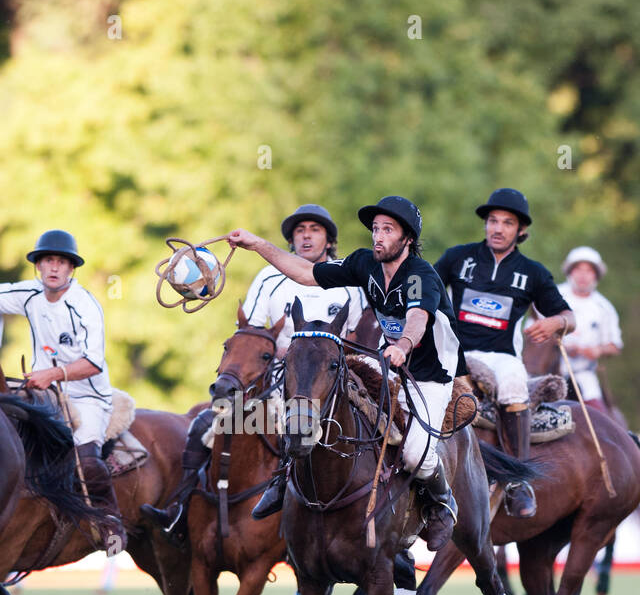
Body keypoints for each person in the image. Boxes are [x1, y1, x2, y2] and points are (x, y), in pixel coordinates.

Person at [228, 195, 463, 550]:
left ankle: (442, 501)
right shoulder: (363, 264)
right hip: (387, 364)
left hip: (429, 373)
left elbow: (417, 317)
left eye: (388, 229)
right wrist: (257, 244)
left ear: (407, 239)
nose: (378, 236)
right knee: (327, 399)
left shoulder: (419, 276)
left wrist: (402, 345)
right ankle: (286, 476)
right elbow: (306, 273)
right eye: (376, 229)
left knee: (416, 453)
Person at [141, 203, 367, 540]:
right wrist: (286, 354)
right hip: (276, 381)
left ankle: (398, 515)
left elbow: (356, 335)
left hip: (330, 385)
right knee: (206, 425)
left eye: (314, 230)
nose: (305, 235)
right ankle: (180, 511)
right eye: (299, 230)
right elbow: (247, 331)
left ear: (329, 239)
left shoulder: (347, 277)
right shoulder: (270, 277)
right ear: (291, 239)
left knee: (384, 427)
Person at [0, 229, 125, 555]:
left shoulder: (85, 306)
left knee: (85, 458)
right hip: (41, 390)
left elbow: (94, 364)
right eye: (48, 261)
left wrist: (54, 373)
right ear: (38, 267)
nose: (54, 268)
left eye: (61, 262)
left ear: (71, 269)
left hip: (86, 397)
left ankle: (110, 521)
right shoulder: (30, 293)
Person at [434, 188, 575, 519]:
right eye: (492, 221)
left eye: (507, 223)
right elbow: (427, 288)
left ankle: (518, 483)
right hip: (456, 350)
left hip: (501, 356)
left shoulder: (534, 273)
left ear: (521, 230)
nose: (498, 228)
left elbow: (570, 317)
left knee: (514, 382)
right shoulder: (458, 257)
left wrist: (555, 322)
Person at [555, 245, 621, 412]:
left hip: (583, 374)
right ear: (570, 272)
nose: (583, 276)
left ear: (596, 275)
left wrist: (597, 350)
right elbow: (532, 331)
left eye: (589, 270)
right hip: (547, 372)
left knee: (600, 417)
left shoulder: (603, 307)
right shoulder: (554, 296)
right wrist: (559, 346)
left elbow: (614, 345)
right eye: (578, 269)